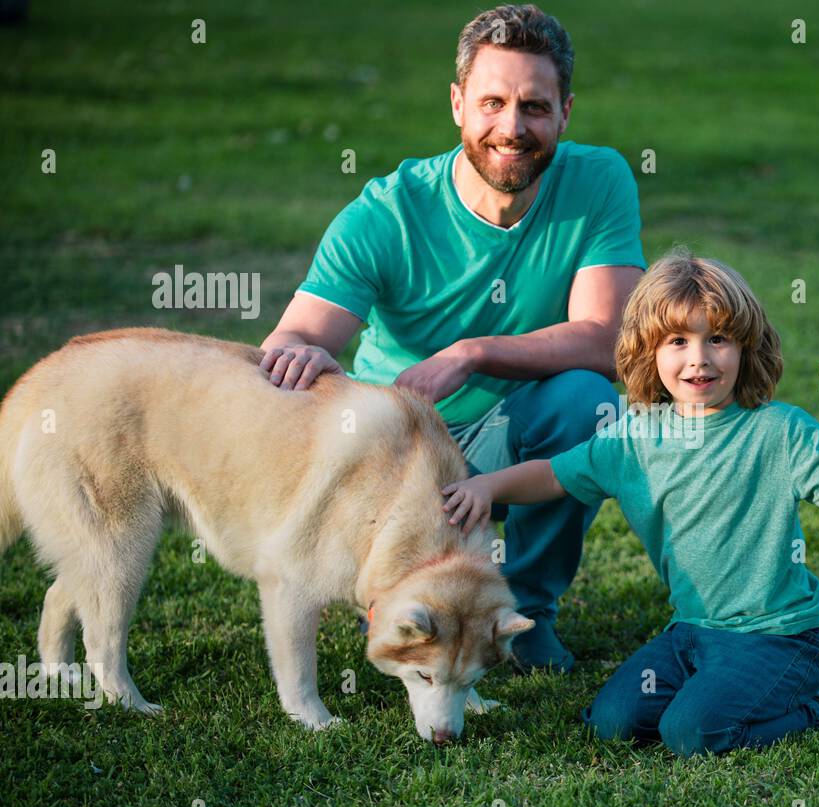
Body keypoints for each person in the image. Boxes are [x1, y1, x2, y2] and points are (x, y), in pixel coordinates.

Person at [257, 5, 646, 673]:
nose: (512, 127)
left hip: (508, 432)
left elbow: (610, 341)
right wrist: (305, 352)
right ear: (458, 103)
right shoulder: (389, 212)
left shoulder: (598, 179)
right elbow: (292, 338)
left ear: (566, 112)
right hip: (400, 450)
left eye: (534, 106)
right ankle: (388, 586)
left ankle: (522, 611)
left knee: (589, 403)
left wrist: (471, 353)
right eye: (492, 102)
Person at [440, 250, 819, 757]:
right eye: (678, 341)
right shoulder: (635, 437)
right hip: (691, 632)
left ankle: (816, 702)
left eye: (717, 339)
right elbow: (555, 474)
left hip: (778, 638)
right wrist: (488, 487)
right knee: (612, 724)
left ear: (746, 348)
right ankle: (710, 688)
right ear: (647, 352)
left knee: (694, 734)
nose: (698, 357)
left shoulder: (778, 430)